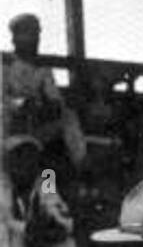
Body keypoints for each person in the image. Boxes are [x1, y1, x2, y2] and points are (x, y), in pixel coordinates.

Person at [2, 13, 85, 166]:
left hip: (35, 119)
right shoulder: (5, 66)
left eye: (36, 33)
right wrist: (20, 103)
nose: (35, 39)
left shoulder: (43, 69)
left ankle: (80, 163)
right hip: (11, 118)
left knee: (68, 116)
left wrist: (50, 105)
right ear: (15, 38)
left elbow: (54, 98)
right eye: (28, 34)